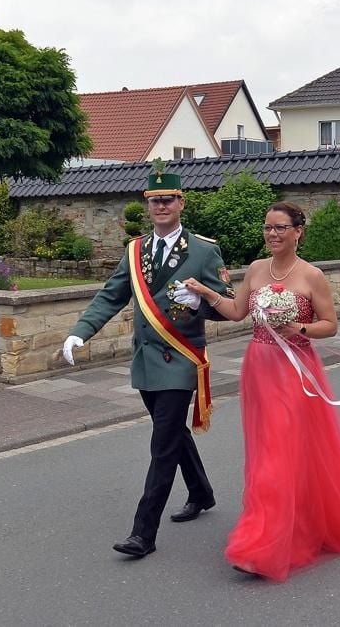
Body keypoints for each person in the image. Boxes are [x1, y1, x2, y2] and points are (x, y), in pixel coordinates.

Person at [182, 201, 340, 581]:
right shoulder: (256, 269)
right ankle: (277, 526)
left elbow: (330, 325)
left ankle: (262, 545)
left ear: (298, 231)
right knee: (265, 450)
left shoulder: (312, 275)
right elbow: (236, 312)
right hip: (259, 367)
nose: (272, 235)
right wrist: (204, 292)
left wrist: (300, 327)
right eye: (267, 228)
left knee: (279, 454)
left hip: (295, 371)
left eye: (280, 228)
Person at [62, 163, 234, 560]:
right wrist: (80, 331)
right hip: (145, 361)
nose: (161, 206)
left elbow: (228, 307)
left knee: (162, 445)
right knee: (172, 433)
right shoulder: (135, 250)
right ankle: (202, 493)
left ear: (181, 203)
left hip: (181, 359)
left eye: (168, 199)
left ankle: (143, 533)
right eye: (155, 200)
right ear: (148, 204)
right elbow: (111, 295)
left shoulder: (205, 250)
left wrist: (204, 301)